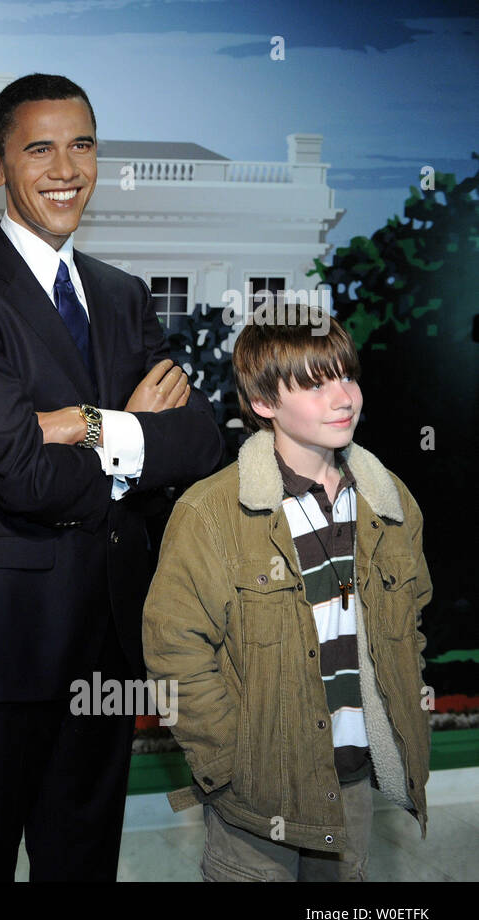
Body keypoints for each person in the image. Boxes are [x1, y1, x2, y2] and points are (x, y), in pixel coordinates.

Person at [0, 73, 223, 881]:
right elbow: (13, 466)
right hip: (7, 640)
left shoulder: (122, 296)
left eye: (81, 144)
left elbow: (197, 442)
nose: (65, 167)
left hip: (112, 638)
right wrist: (130, 437)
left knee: (83, 867)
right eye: (39, 147)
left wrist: (85, 425)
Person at [144, 307, 431, 881]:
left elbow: (413, 620)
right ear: (264, 403)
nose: (343, 397)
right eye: (316, 383)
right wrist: (228, 765)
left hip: (352, 782)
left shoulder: (388, 499)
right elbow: (174, 651)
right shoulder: (211, 513)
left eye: (347, 376)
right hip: (257, 797)